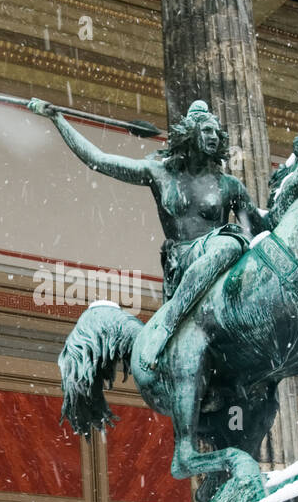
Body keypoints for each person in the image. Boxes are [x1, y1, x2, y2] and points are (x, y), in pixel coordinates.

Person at [29, 97, 269, 370]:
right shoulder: (159, 173)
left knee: (231, 245)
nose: (213, 136)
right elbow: (98, 160)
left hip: (220, 258)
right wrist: (57, 119)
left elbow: (260, 231)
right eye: (206, 131)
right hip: (182, 260)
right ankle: (168, 325)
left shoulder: (229, 185)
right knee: (228, 246)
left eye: (216, 132)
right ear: (191, 134)